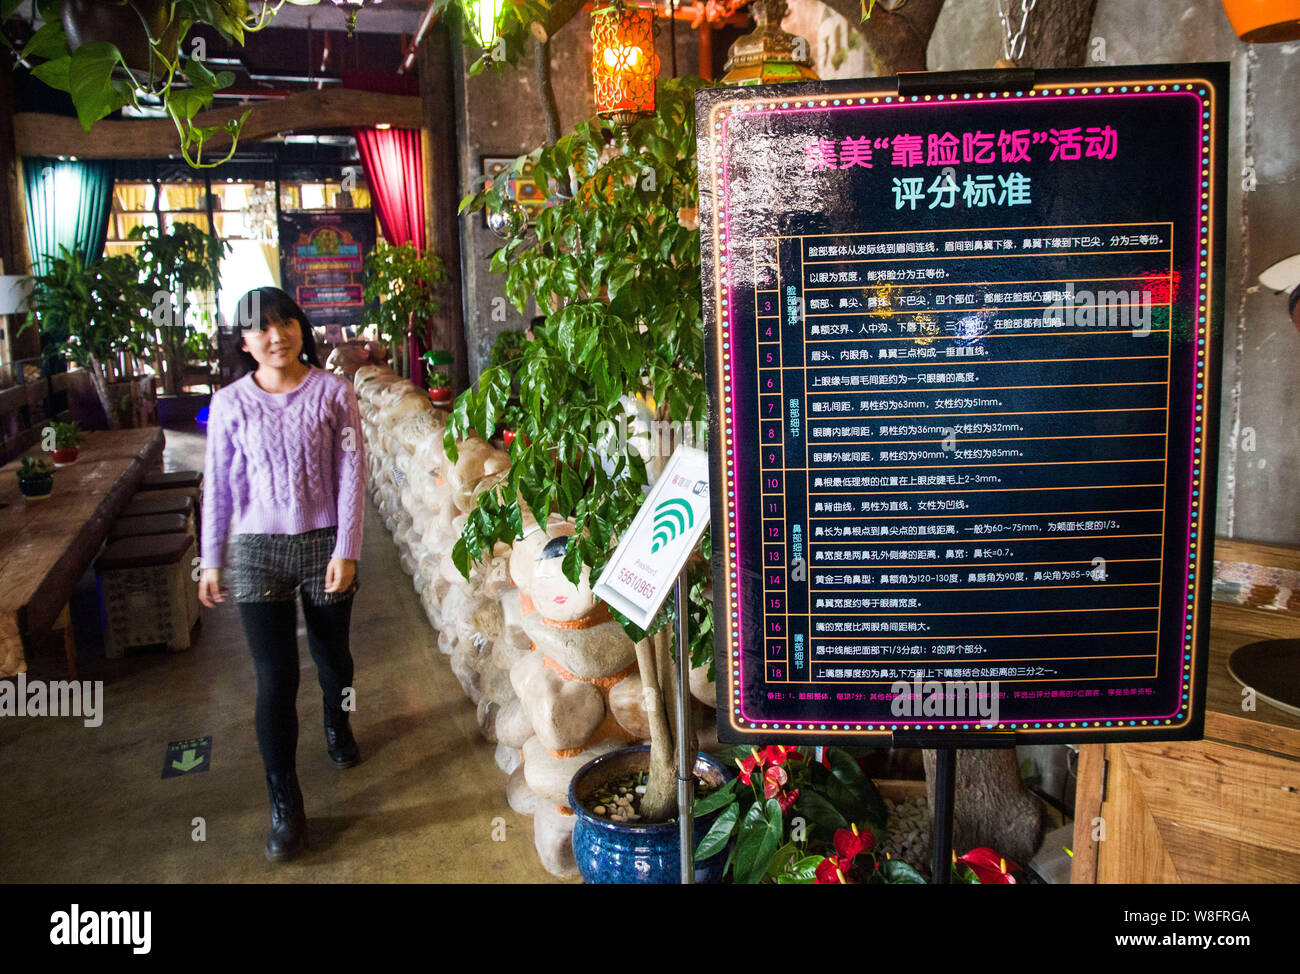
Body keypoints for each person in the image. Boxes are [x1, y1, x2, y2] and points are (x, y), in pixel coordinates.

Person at [197, 287, 366, 863]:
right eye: (262, 328)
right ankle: (286, 806)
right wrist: (211, 557)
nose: (276, 335)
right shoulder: (228, 405)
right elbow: (216, 487)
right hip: (255, 553)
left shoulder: (334, 392)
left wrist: (347, 547)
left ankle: (337, 725)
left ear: (301, 327)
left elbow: (350, 474)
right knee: (275, 679)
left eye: (285, 321)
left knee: (333, 658)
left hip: (324, 547)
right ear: (244, 342)